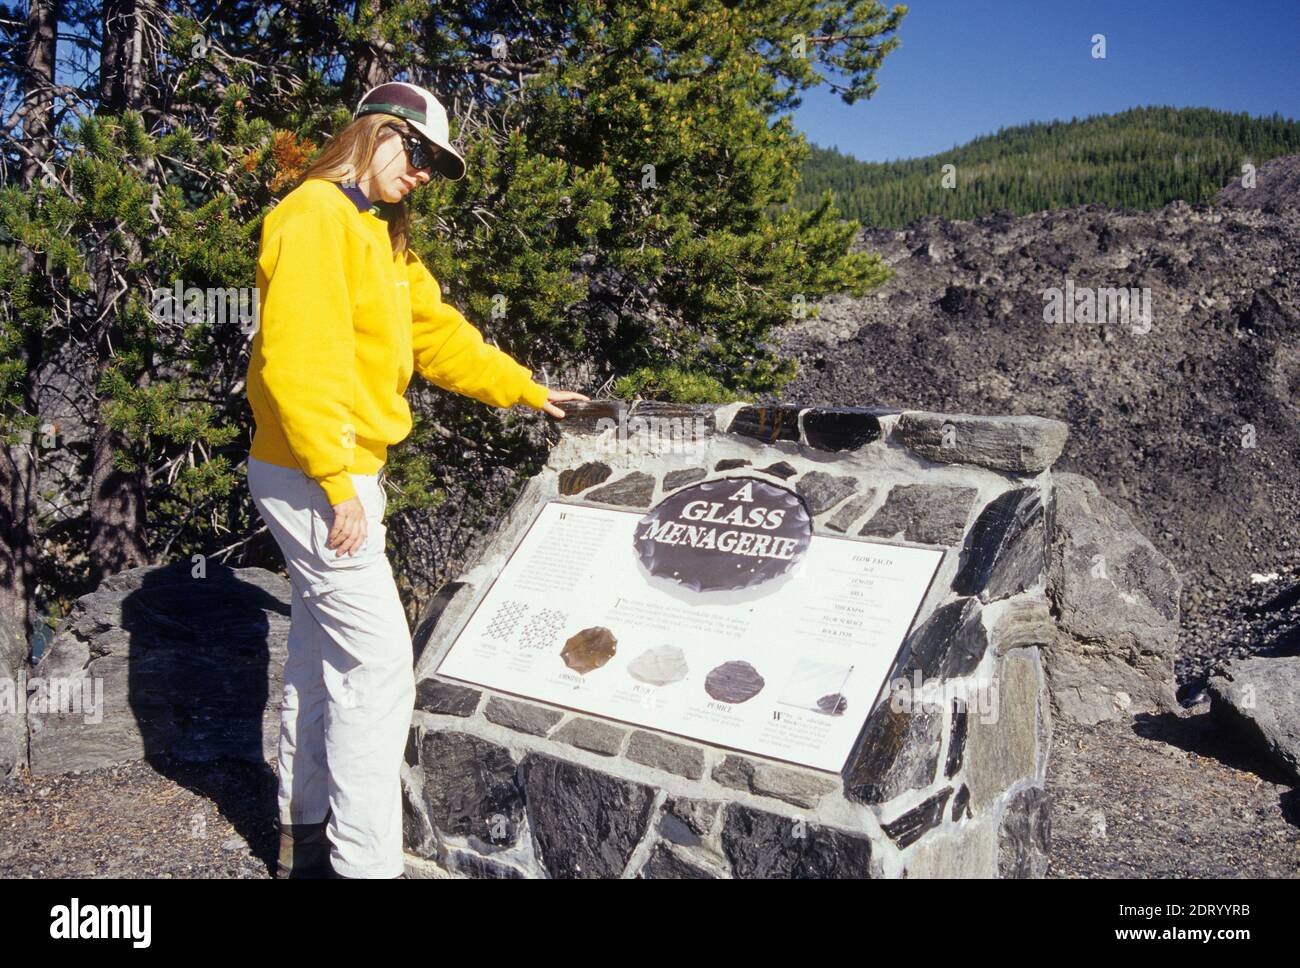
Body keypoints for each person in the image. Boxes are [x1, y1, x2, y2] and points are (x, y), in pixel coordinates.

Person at [245, 81, 589, 878]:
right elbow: (298, 363)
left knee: (315, 657)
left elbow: (437, 335)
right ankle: (365, 866)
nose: (428, 172)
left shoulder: (381, 237)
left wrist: (526, 389)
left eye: (438, 162)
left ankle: (302, 834)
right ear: (380, 133)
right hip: (315, 472)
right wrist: (336, 482)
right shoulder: (314, 217)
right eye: (423, 153)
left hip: (323, 468)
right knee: (376, 668)